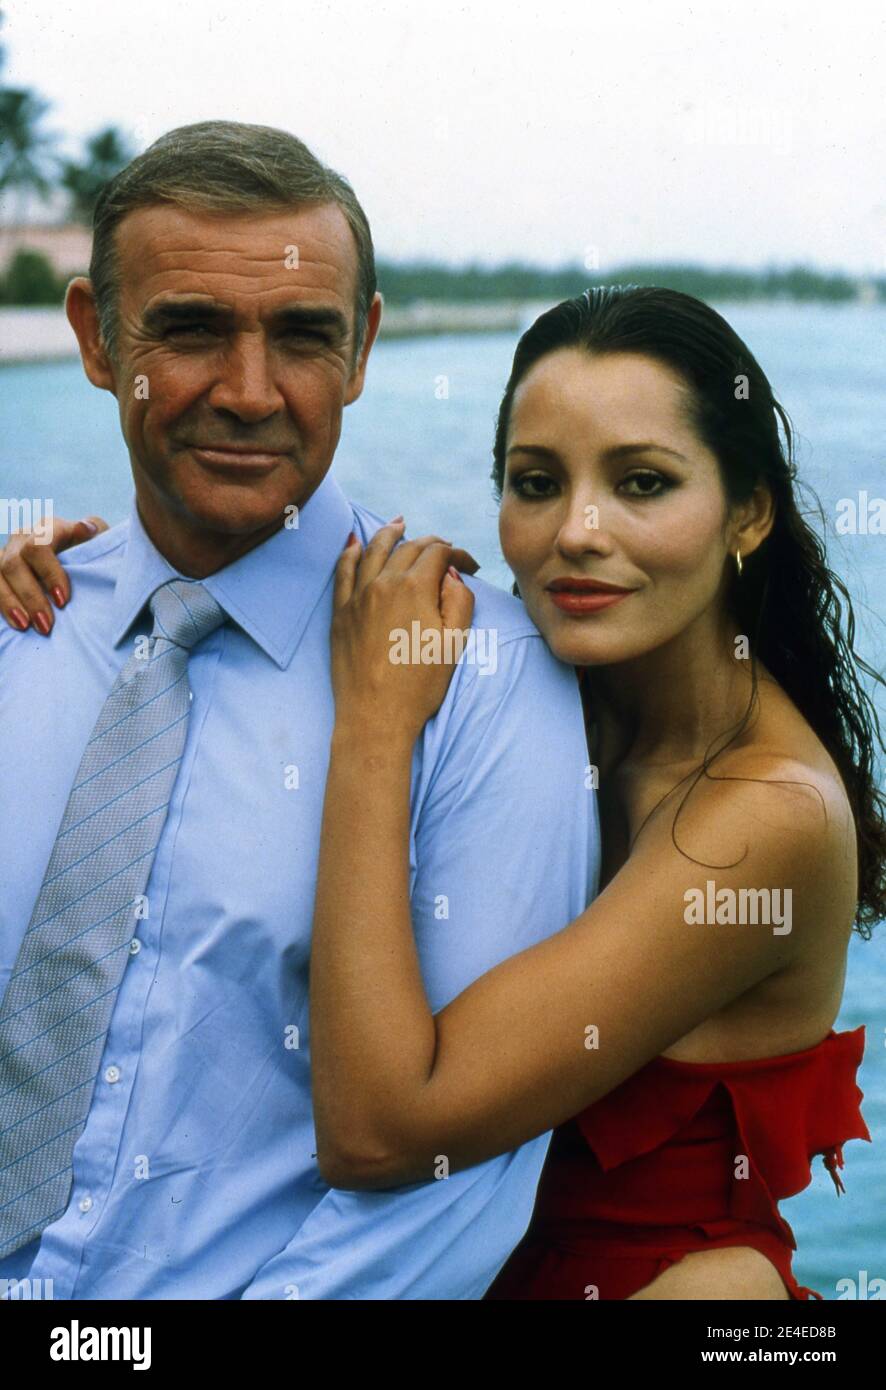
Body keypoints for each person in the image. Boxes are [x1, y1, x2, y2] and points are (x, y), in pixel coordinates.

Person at [2, 290, 881, 1299]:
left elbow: (383, 1133)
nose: (579, 532)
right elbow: (269, 598)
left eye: (642, 483)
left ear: (750, 511)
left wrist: (376, 730)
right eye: (536, 483)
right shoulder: (556, 693)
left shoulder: (765, 818)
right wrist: (115, 587)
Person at [0, 120, 601, 1300]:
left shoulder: (482, 681)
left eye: (303, 337)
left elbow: (440, 1192)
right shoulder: (26, 625)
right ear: (93, 335)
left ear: (364, 348)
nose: (249, 392)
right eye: (187, 331)